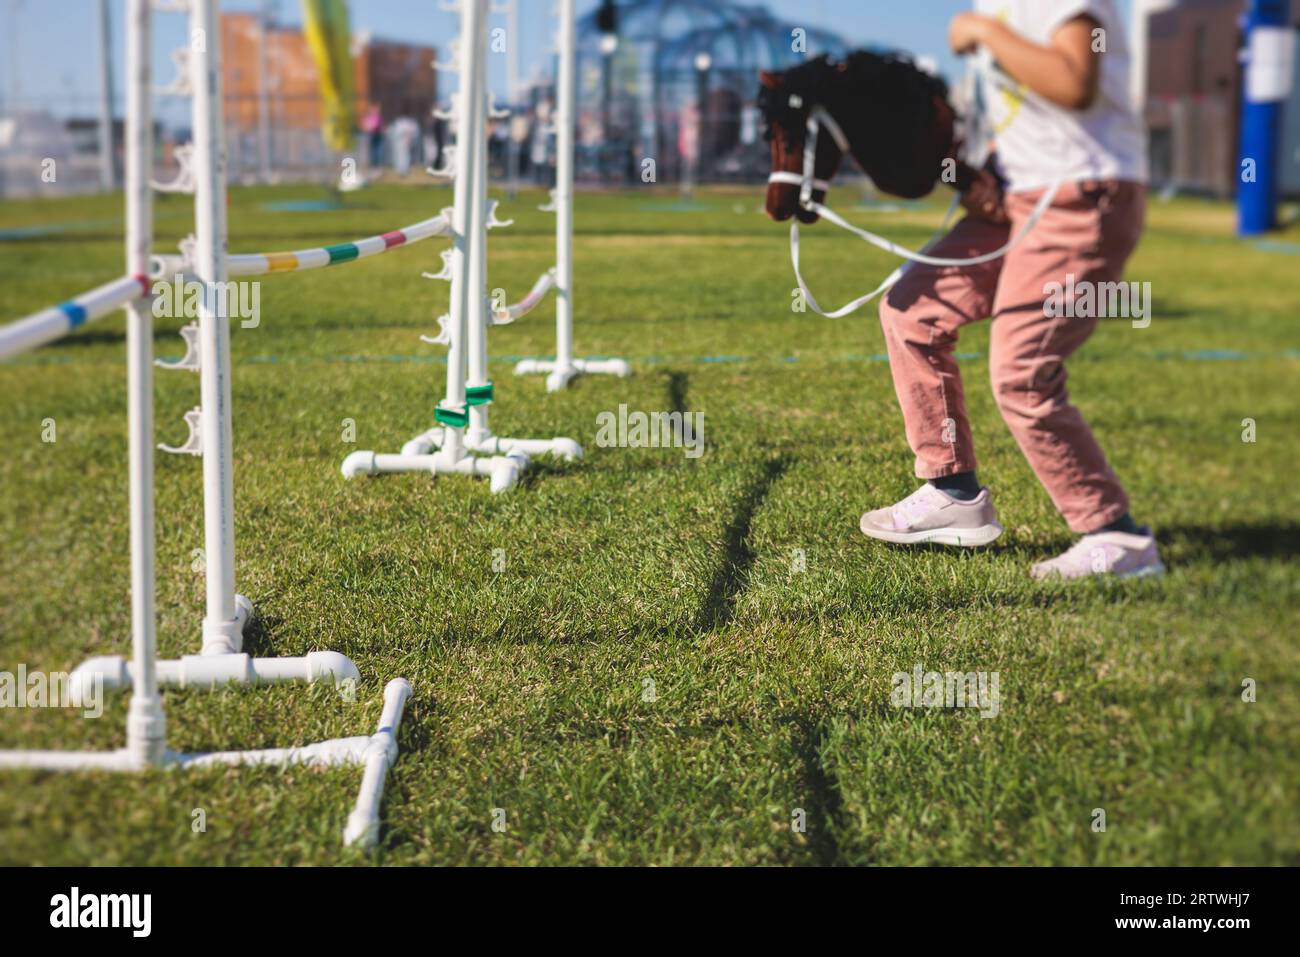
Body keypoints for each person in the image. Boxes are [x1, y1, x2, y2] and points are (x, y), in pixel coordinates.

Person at [859, 0, 1164, 580]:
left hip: (1081, 197)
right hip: (1023, 198)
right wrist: (980, 176)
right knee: (911, 309)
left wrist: (984, 32)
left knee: (1022, 372)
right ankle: (953, 491)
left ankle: (1116, 536)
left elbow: (1074, 82)